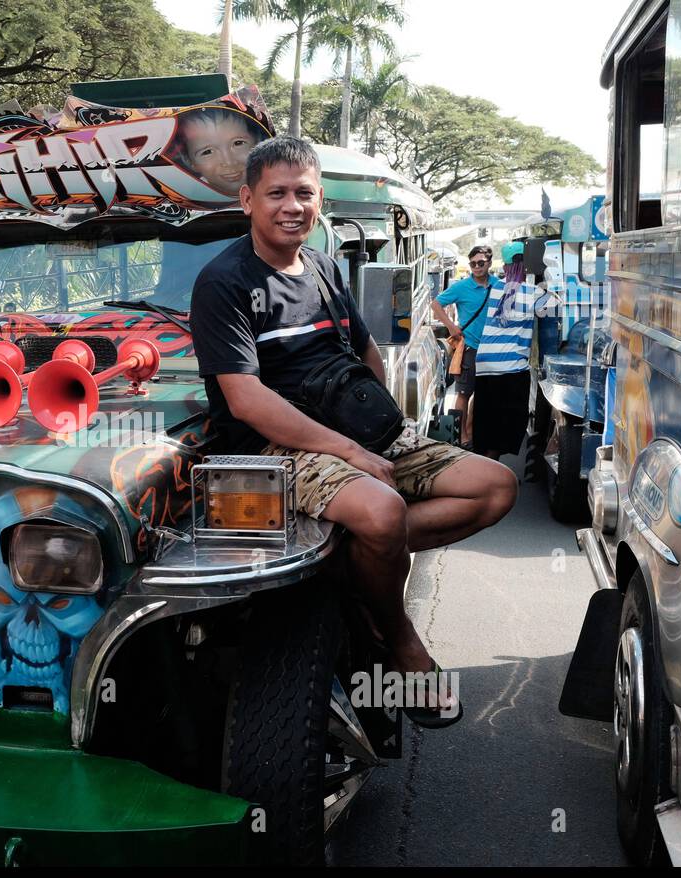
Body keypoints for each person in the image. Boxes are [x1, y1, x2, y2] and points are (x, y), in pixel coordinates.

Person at [188, 136, 518, 728]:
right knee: (382, 512)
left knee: (495, 487)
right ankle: (397, 638)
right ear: (247, 200)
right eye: (277, 194)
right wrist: (348, 452)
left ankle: (349, 565)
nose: (292, 206)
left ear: (319, 201)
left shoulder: (321, 266)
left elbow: (363, 349)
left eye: (304, 194)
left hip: (359, 432)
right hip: (276, 446)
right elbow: (246, 397)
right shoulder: (225, 282)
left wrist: (376, 428)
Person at [470, 242, 536, 460]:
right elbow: (559, 307)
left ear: (506, 267)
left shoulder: (495, 287)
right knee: (508, 424)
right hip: (512, 368)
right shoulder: (533, 294)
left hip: (486, 364)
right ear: (528, 265)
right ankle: (493, 477)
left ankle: (486, 472)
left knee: (488, 424)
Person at [433, 244, 501, 447]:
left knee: (482, 395)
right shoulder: (462, 287)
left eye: (481, 263)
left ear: (489, 262)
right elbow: (436, 304)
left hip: (491, 350)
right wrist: (451, 326)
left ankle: (470, 432)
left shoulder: (498, 285)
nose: (477, 267)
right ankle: (460, 437)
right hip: (470, 348)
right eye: (473, 264)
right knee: (463, 393)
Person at [173, 107, 266, 197]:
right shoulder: (191, 197)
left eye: (238, 143)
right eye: (207, 152)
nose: (229, 162)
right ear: (190, 162)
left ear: (258, 143)